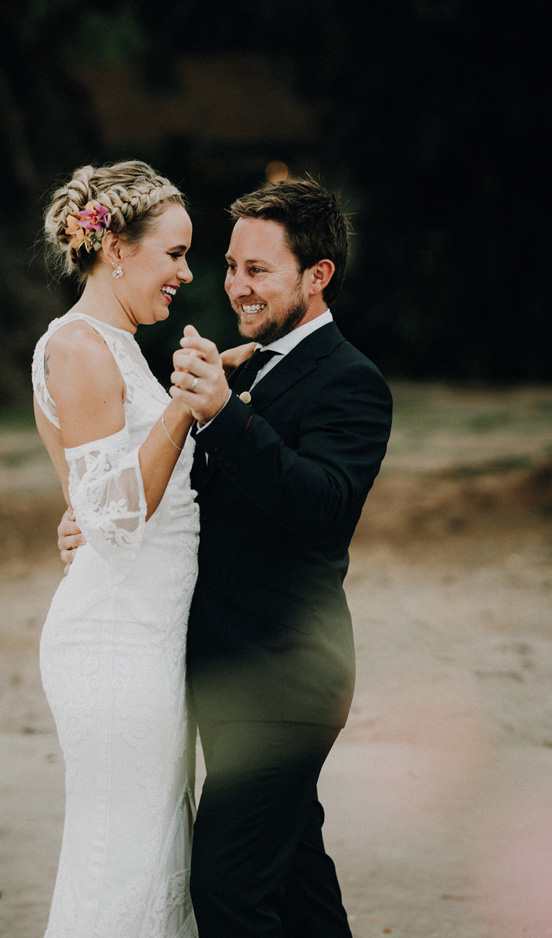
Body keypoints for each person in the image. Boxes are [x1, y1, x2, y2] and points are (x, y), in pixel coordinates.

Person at [61, 176, 393, 937]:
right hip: (224, 672)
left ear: (318, 277)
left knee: (228, 888)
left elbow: (324, 510)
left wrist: (224, 420)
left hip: (288, 677)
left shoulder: (352, 382)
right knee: (296, 879)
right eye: (232, 266)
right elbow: (181, 502)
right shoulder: (246, 367)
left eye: (259, 270)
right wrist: (91, 521)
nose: (236, 286)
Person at [31, 160, 202, 938]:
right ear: (114, 249)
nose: (186, 272)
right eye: (174, 253)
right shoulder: (77, 346)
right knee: (119, 861)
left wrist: (213, 379)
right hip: (113, 643)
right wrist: (184, 410)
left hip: (148, 635)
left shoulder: (119, 346)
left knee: (157, 856)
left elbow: (88, 493)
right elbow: (113, 516)